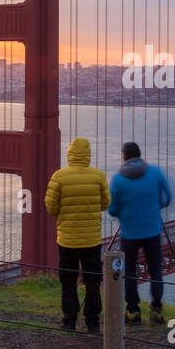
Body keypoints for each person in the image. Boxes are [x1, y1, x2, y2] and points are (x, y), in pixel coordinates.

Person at [44, 137, 110, 333]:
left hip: (67, 240)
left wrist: (64, 213)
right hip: (92, 240)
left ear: (70, 154)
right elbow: (105, 203)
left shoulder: (59, 177)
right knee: (93, 281)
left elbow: (51, 207)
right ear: (88, 154)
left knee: (68, 281)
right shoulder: (98, 176)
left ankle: (69, 321)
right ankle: (92, 323)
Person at [107, 141, 172, 325]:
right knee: (156, 271)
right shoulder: (155, 173)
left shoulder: (118, 179)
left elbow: (112, 209)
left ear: (124, 156)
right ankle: (157, 311)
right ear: (140, 154)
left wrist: (124, 213)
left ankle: (134, 312)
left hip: (129, 233)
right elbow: (167, 197)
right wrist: (154, 208)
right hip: (152, 230)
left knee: (129, 271)